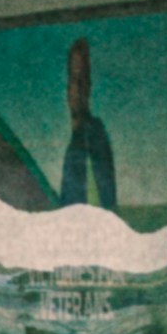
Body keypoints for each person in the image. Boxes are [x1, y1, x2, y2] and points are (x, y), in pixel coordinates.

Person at [55, 34, 120, 214]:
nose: (75, 90)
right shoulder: (76, 141)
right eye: (72, 82)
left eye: (80, 81)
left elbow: (104, 207)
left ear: (89, 87)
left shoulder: (93, 137)